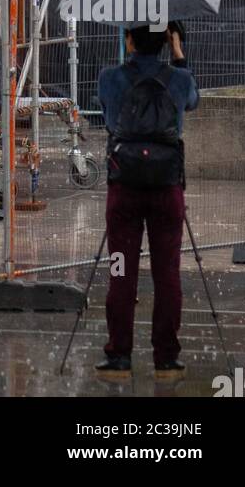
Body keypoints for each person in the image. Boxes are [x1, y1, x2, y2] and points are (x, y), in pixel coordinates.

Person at [96, 21, 199, 379]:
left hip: (124, 188)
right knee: (167, 272)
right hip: (166, 188)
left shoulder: (110, 77)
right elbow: (193, 102)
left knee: (121, 270)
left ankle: (119, 356)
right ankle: (166, 358)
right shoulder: (180, 80)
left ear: (129, 40)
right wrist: (178, 55)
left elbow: (108, 115)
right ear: (167, 40)